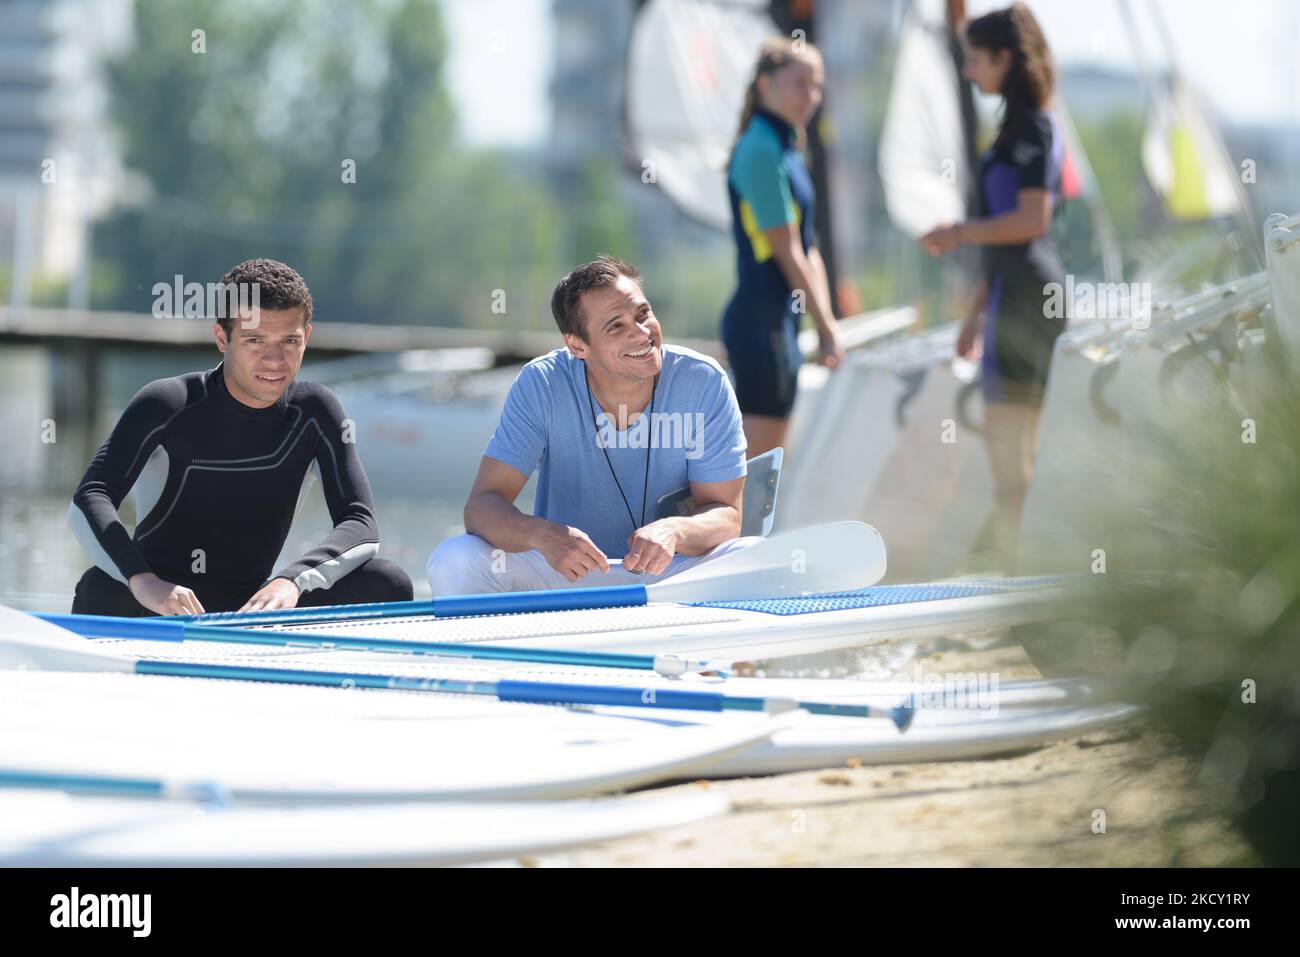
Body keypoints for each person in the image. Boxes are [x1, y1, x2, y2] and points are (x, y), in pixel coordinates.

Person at [68, 258, 413, 616]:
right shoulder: (168, 403)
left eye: (289, 341)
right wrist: (142, 580)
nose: (274, 360)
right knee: (99, 587)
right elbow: (91, 497)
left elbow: (360, 523)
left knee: (388, 582)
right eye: (254, 340)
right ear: (222, 337)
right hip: (160, 605)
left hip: (253, 609)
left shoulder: (315, 411)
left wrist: (292, 581)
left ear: (306, 337)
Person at [427, 255, 754, 595]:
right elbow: (481, 507)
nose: (642, 333)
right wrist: (543, 536)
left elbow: (727, 515)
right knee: (455, 558)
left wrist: (675, 531)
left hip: (669, 573)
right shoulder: (542, 383)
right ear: (577, 345)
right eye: (616, 327)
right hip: (566, 575)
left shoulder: (703, 380)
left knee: (749, 554)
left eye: (643, 314)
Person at [920, 3, 1067, 571]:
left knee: (1014, 459)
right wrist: (974, 316)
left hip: (1030, 299)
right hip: (1009, 295)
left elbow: (1032, 220)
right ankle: (1014, 572)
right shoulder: (1012, 124)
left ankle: (1017, 576)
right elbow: (1003, 245)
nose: (968, 71)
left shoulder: (1033, 125)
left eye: (975, 59)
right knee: (1008, 457)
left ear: (1005, 59)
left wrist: (959, 232)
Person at [720, 37, 844, 458]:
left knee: (767, 468)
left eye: (817, 86)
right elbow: (786, 249)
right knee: (753, 472)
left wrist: (827, 322)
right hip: (761, 323)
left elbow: (810, 248)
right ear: (766, 84)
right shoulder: (761, 148)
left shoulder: (787, 146)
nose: (811, 96)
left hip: (783, 324)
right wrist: (827, 330)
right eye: (800, 84)